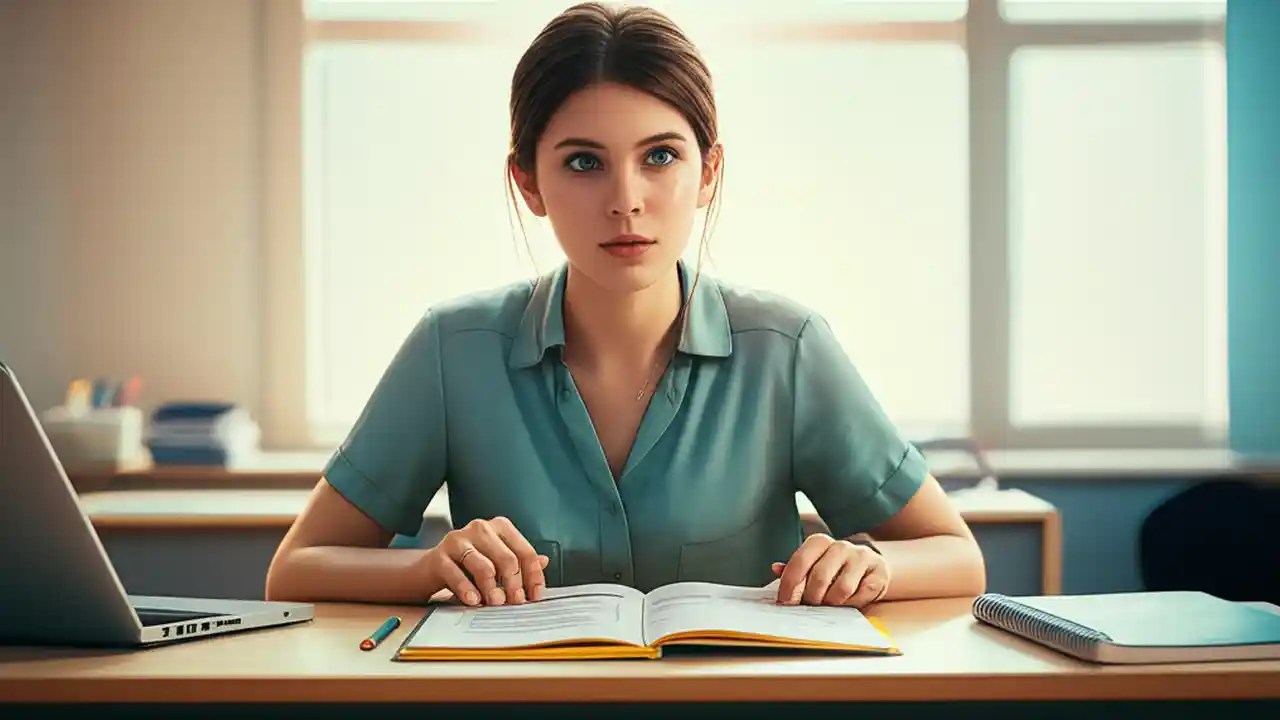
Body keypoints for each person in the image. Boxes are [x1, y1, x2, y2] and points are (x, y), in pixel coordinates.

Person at [266, 2, 985, 610]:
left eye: (661, 156)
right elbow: (294, 570)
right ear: (529, 183)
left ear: (709, 172)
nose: (626, 199)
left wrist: (876, 567)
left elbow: (958, 555)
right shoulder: (453, 348)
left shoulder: (786, 346)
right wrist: (431, 568)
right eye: (584, 162)